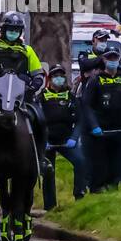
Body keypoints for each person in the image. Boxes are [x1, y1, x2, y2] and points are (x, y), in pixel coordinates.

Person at [0, 10, 50, 174]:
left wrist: (34, 85)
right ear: (4, 30)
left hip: (20, 95)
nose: (13, 33)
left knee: (41, 118)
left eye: (16, 30)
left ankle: (41, 158)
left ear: (20, 32)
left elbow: (38, 73)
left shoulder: (27, 50)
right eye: (10, 30)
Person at [81, 47, 121, 192]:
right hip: (100, 131)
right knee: (100, 162)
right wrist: (93, 125)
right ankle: (97, 188)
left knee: (117, 161)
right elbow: (87, 105)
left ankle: (113, 186)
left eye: (115, 59)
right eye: (109, 59)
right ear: (104, 60)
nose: (112, 62)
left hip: (120, 129)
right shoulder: (95, 80)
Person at [39, 65, 86, 210]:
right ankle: (50, 206)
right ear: (50, 78)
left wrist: (74, 137)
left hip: (66, 139)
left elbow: (80, 120)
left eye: (61, 75)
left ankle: (79, 195)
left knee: (81, 162)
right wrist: (42, 140)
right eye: (55, 76)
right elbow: (37, 121)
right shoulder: (41, 97)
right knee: (48, 170)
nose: (58, 78)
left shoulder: (70, 97)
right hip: (47, 141)